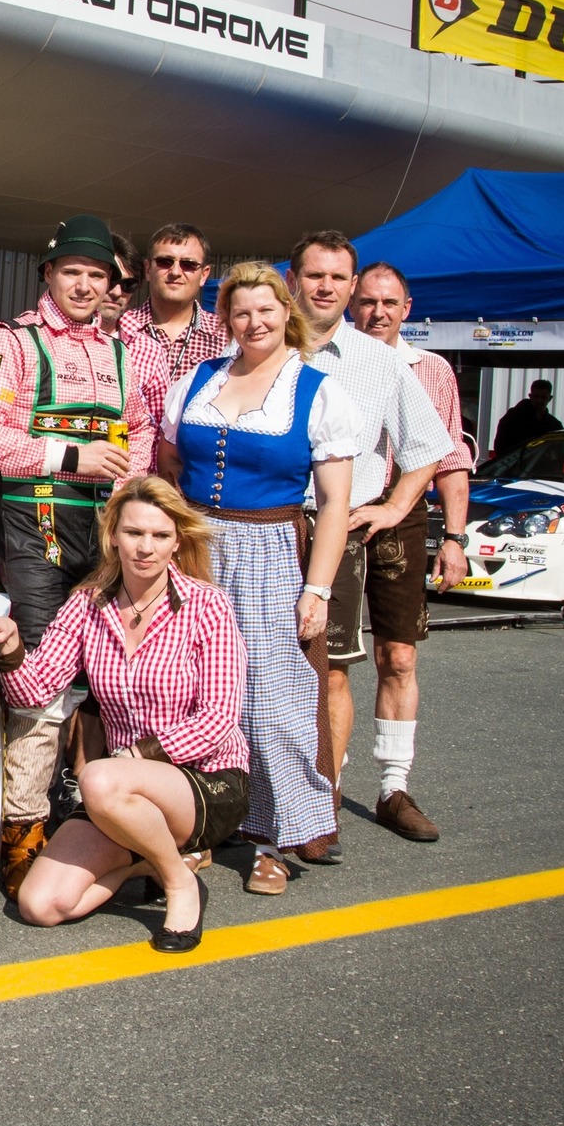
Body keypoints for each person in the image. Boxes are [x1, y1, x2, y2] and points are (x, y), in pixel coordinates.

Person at [0, 214, 155, 901]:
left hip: (109, 539)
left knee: (112, 685)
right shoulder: (10, 341)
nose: (85, 285)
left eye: (98, 275)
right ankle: (21, 832)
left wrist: (132, 506)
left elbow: (145, 442)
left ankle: (106, 820)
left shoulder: (132, 352)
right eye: (73, 271)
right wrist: (72, 454)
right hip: (34, 533)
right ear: (48, 274)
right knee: (38, 689)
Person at [0, 477, 249, 950]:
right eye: (135, 533)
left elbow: (219, 719)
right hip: (119, 792)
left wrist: (138, 755)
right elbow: (35, 692)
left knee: (98, 777)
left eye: (160, 536)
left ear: (178, 541)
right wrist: (12, 645)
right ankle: (156, 862)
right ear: (113, 534)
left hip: (205, 781)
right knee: (42, 905)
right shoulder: (87, 604)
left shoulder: (207, 606)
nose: (146, 548)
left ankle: (179, 887)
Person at [159, 262, 358, 895]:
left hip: (271, 550)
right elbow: (168, 466)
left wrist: (317, 588)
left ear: (286, 311)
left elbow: (333, 504)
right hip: (194, 548)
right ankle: (198, 829)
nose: (255, 322)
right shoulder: (196, 379)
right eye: (241, 312)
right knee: (189, 693)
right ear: (227, 318)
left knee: (271, 701)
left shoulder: (318, 390)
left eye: (266, 310)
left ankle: (278, 838)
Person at [287, 231, 453, 861]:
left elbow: (427, 446)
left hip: (344, 528)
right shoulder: (262, 346)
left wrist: (393, 507)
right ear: (294, 278)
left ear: (350, 286)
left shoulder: (383, 362)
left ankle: (328, 798)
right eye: (314, 275)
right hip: (272, 524)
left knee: (332, 672)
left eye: (337, 277)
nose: (325, 287)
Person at [347, 261, 473, 843]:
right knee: (329, 660)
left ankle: (394, 787)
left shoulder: (432, 370)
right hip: (341, 514)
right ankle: (322, 786)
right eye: (368, 301)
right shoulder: (330, 357)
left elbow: (448, 460)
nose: (378, 312)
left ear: (407, 308)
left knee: (398, 656)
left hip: (405, 516)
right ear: (352, 302)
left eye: (389, 303)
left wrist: (454, 539)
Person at [121, 223, 232, 433]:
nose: (175, 272)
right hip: (126, 460)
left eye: (188, 264)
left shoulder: (226, 337)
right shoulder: (118, 330)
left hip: (192, 462)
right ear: (147, 269)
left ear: (204, 274)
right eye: (165, 261)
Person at [493, 379, 563, 457]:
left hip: (542, 468)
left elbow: (558, 454)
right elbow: (500, 446)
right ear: (530, 396)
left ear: (550, 398)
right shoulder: (513, 418)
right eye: (536, 396)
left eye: (543, 397)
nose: (539, 400)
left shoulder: (555, 425)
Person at [99, 233, 141, 334]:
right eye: (111, 281)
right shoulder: (56, 341)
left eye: (128, 284)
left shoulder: (149, 347)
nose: (117, 292)